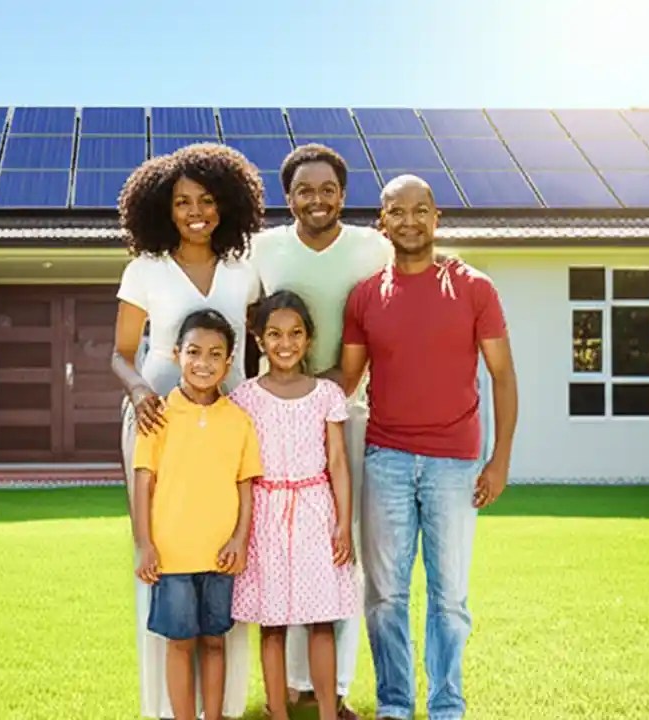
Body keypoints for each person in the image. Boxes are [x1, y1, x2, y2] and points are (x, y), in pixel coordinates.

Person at [339, 174, 519, 720]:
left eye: (421, 210)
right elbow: (344, 382)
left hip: (455, 465)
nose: (410, 221)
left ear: (437, 217)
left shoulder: (474, 288)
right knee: (385, 596)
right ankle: (394, 705)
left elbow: (503, 376)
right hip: (386, 460)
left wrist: (501, 459)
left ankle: (446, 706)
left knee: (449, 599)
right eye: (398, 212)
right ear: (383, 222)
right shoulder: (365, 296)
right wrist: (275, 389)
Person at [112, 143, 266, 719]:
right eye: (182, 202)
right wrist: (137, 391)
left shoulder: (242, 269)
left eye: (205, 200)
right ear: (164, 208)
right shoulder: (145, 268)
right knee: (165, 555)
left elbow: (258, 342)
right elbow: (122, 354)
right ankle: (168, 708)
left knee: (227, 562)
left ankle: (222, 707)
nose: (195, 211)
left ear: (225, 205)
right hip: (160, 417)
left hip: (230, 422)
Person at [247, 143, 391, 718]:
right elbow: (247, 321)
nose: (317, 200)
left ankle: (335, 690)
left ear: (342, 194)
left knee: (336, 544)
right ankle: (296, 687)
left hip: (344, 410)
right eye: (304, 190)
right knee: (278, 548)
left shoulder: (371, 246)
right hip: (276, 416)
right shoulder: (265, 248)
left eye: (327, 189)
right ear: (289, 198)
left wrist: (325, 393)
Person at [228, 290, 361, 720]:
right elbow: (239, 468)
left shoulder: (326, 394)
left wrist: (343, 523)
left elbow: (338, 461)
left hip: (314, 512)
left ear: (308, 338)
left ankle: (327, 710)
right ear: (260, 340)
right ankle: (277, 711)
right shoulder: (245, 398)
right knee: (272, 623)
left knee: (321, 620)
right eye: (274, 334)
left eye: (295, 333)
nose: (285, 343)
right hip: (266, 514)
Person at [132, 308, 261, 720]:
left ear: (229, 361)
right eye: (194, 352)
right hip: (171, 557)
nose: (203, 363)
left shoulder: (239, 420)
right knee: (180, 643)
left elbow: (246, 485)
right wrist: (145, 545)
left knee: (215, 641)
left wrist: (240, 540)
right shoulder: (158, 416)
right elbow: (142, 483)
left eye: (214, 354)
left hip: (221, 556)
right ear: (176, 354)